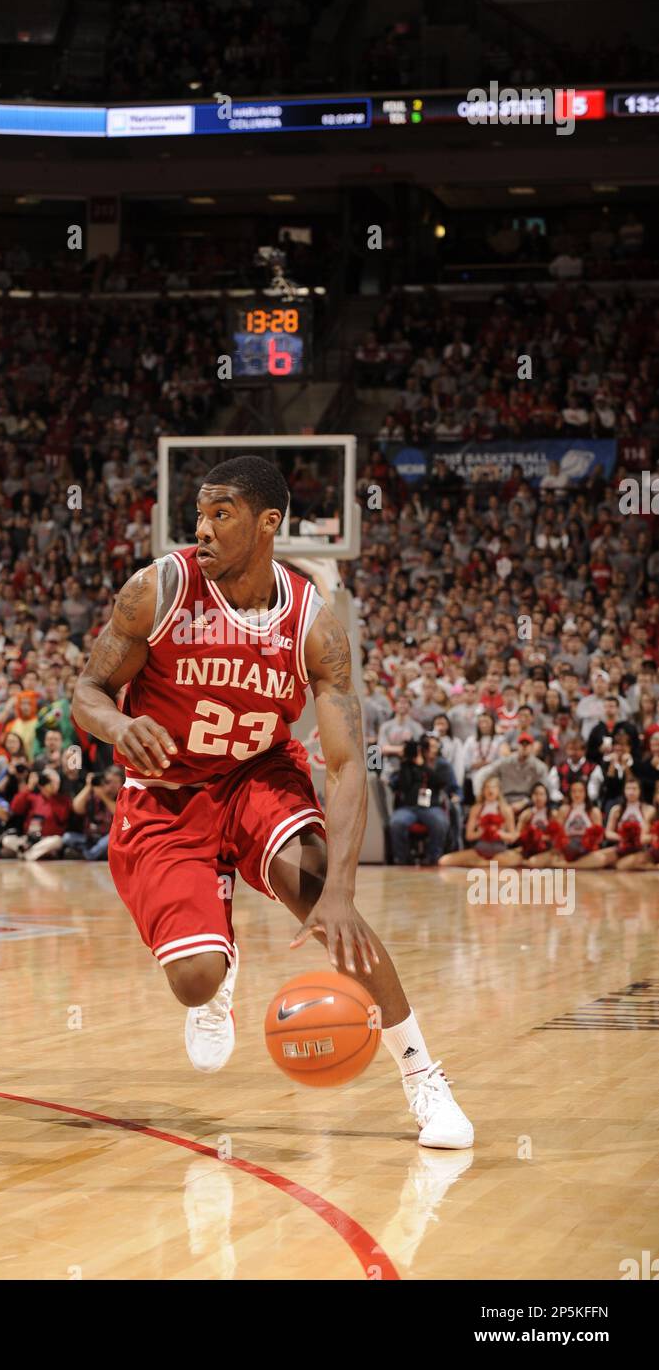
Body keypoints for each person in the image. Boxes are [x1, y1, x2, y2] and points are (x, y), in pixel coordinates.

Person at [72, 455, 473, 1149]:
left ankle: (423, 1078)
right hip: (167, 792)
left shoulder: (314, 625)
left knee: (329, 912)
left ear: (267, 523)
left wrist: (340, 892)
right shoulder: (157, 591)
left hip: (258, 777)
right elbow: (88, 691)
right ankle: (219, 958)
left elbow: (345, 766)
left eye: (220, 514)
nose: (202, 528)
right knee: (194, 980)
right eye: (199, 514)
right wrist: (116, 724)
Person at [389, 736, 458, 866]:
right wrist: (405, 763)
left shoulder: (441, 764)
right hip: (408, 807)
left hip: (432, 807)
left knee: (440, 823)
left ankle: (433, 858)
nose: (430, 750)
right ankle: (402, 859)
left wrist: (423, 766)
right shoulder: (407, 765)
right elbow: (404, 786)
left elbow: (441, 783)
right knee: (396, 823)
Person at [439, 775, 518, 867]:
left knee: (514, 859)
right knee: (443, 861)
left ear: (499, 790)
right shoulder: (476, 809)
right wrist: (481, 832)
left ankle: (483, 864)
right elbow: (469, 836)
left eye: (493, 787)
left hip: (499, 852)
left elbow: (512, 837)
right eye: (487, 787)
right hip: (479, 851)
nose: (490, 790)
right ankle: (484, 864)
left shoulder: (506, 809)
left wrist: (498, 833)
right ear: (483, 790)